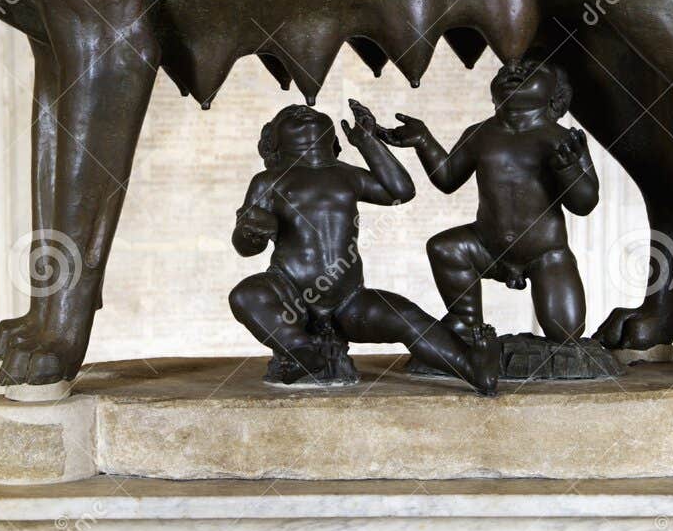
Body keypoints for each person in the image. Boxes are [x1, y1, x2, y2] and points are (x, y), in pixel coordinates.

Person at [229, 101, 499, 393]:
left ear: (332, 138)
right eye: (291, 116)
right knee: (247, 295)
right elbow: (245, 247)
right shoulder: (268, 181)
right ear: (274, 142)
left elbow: (399, 192)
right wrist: (251, 231)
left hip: (350, 300)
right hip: (289, 293)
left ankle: (472, 368)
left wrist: (368, 143)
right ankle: (301, 349)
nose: (303, 112)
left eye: (310, 113)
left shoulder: (347, 174)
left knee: (406, 317)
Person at [375, 56, 599, 344]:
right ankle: (467, 324)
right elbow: (447, 179)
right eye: (505, 69)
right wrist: (424, 141)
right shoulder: (480, 134)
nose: (514, 70)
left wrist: (568, 169)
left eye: (530, 70)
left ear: (556, 96)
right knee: (445, 248)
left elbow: (585, 204)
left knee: (566, 331)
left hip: (546, 252)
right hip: (486, 246)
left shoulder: (562, 139)